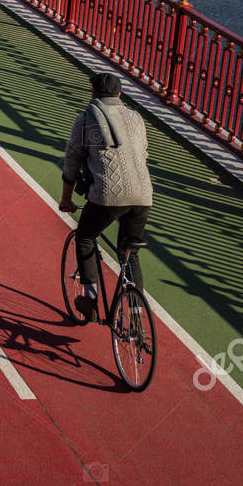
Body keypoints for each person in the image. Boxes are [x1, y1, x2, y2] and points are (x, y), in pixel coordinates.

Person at [58, 71, 152, 323]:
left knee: (85, 236)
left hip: (108, 194)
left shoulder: (86, 118)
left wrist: (66, 199)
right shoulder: (136, 117)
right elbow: (143, 153)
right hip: (143, 195)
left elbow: (72, 162)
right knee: (129, 253)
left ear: (94, 93)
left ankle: (90, 300)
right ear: (119, 94)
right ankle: (136, 318)